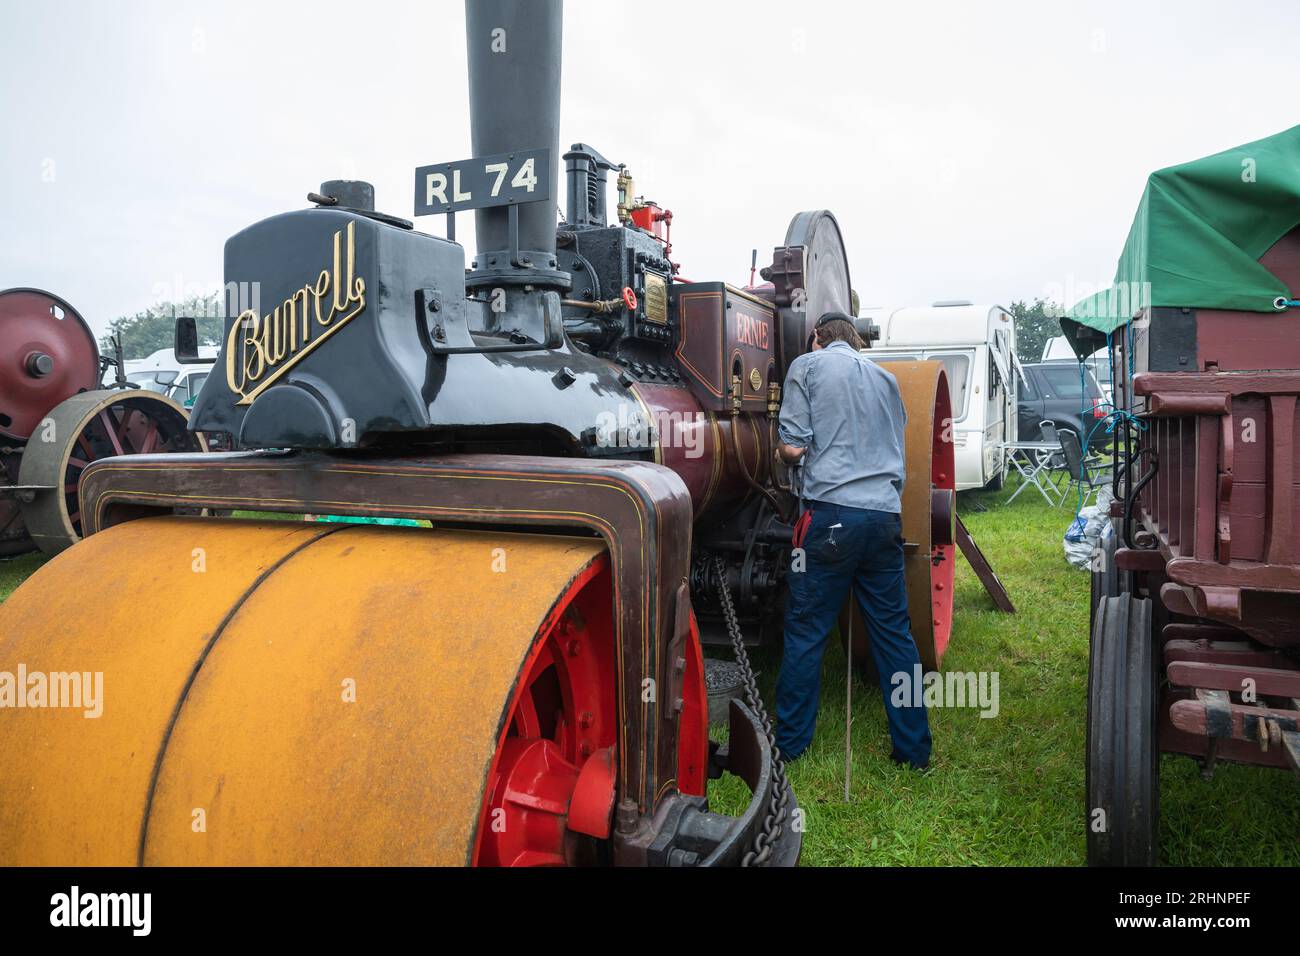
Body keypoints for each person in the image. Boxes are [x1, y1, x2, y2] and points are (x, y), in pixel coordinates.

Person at [774, 311, 932, 769]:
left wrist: (778, 450)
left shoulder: (807, 365)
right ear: (856, 340)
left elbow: (794, 448)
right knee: (894, 636)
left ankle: (791, 746)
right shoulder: (886, 379)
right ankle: (914, 752)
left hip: (829, 519)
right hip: (884, 519)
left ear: (816, 338)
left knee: (806, 632)